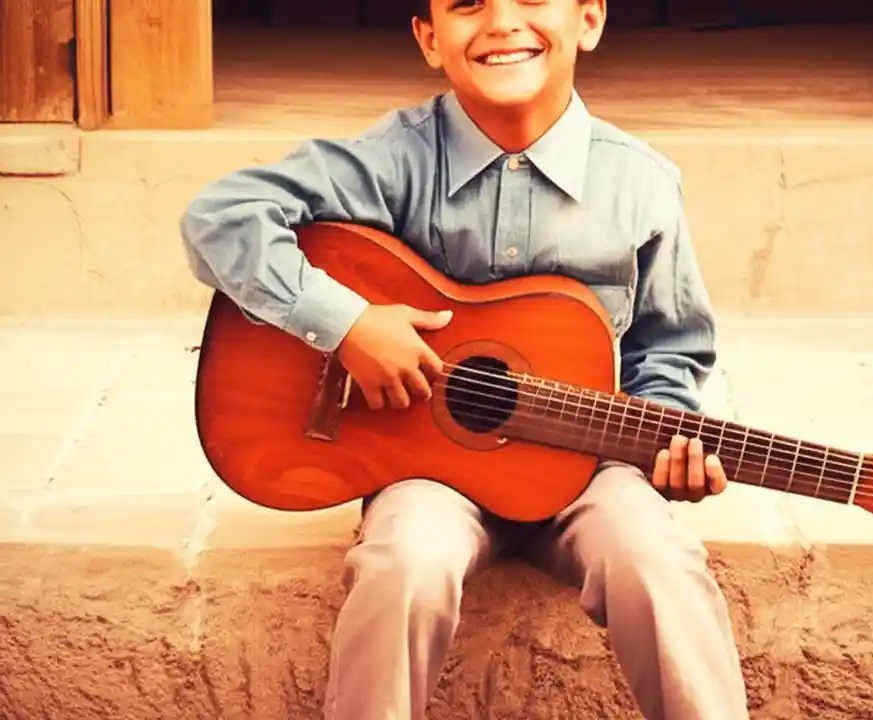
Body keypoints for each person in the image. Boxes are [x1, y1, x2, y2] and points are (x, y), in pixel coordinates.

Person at [178, 0, 749, 718]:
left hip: (591, 471)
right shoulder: (393, 159)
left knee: (658, 560)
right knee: (403, 564)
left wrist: (668, 444)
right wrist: (347, 323)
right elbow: (219, 217)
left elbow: (666, 349)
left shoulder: (641, 184)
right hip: (427, 472)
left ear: (591, 20)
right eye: (467, 4)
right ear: (428, 38)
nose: (502, 21)